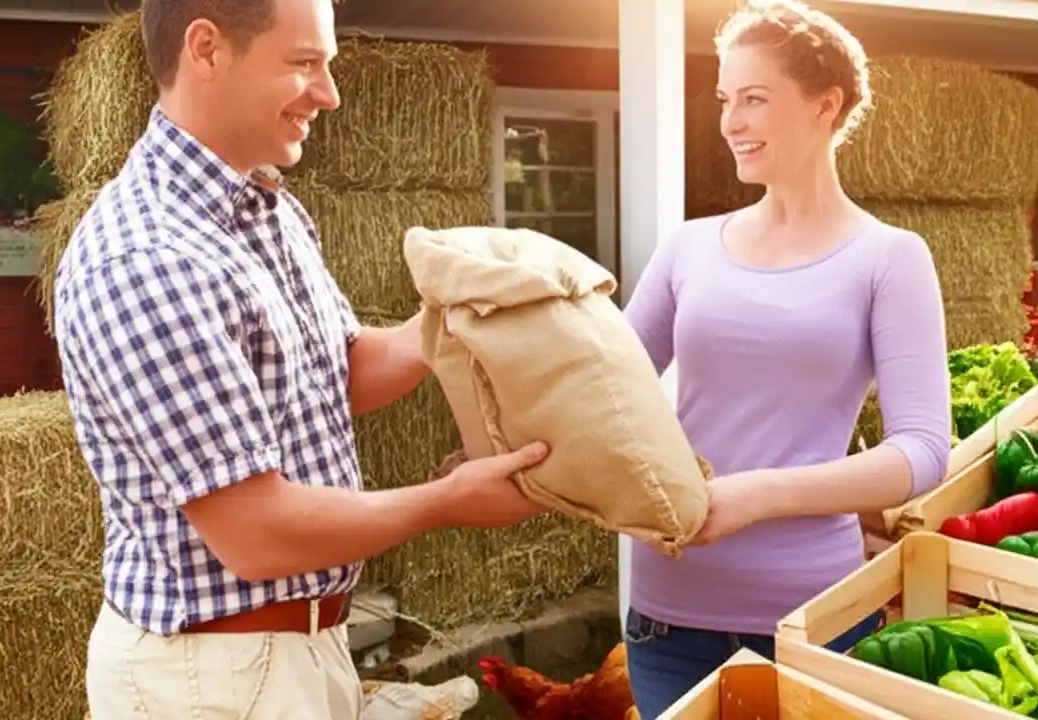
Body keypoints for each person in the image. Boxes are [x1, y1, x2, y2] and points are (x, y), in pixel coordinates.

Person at [52, 0, 552, 717]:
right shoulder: (146, 256)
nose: (330, 94)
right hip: (210, 675)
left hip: (297, 650)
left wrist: (447, 317)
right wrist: (448, 503)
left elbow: (334, 374)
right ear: (206, 49)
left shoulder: (272, 211)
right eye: (304, 64)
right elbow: (256, 535)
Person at [620, 0, 952, 716]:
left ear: (824, 106)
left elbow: (922, 452)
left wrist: (756, 495)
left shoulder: (889, 259)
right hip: (667, 620)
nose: (730, 122)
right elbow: (602, 391)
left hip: (811, 618)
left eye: (754, 100)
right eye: (724, 100)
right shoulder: (689, 247)